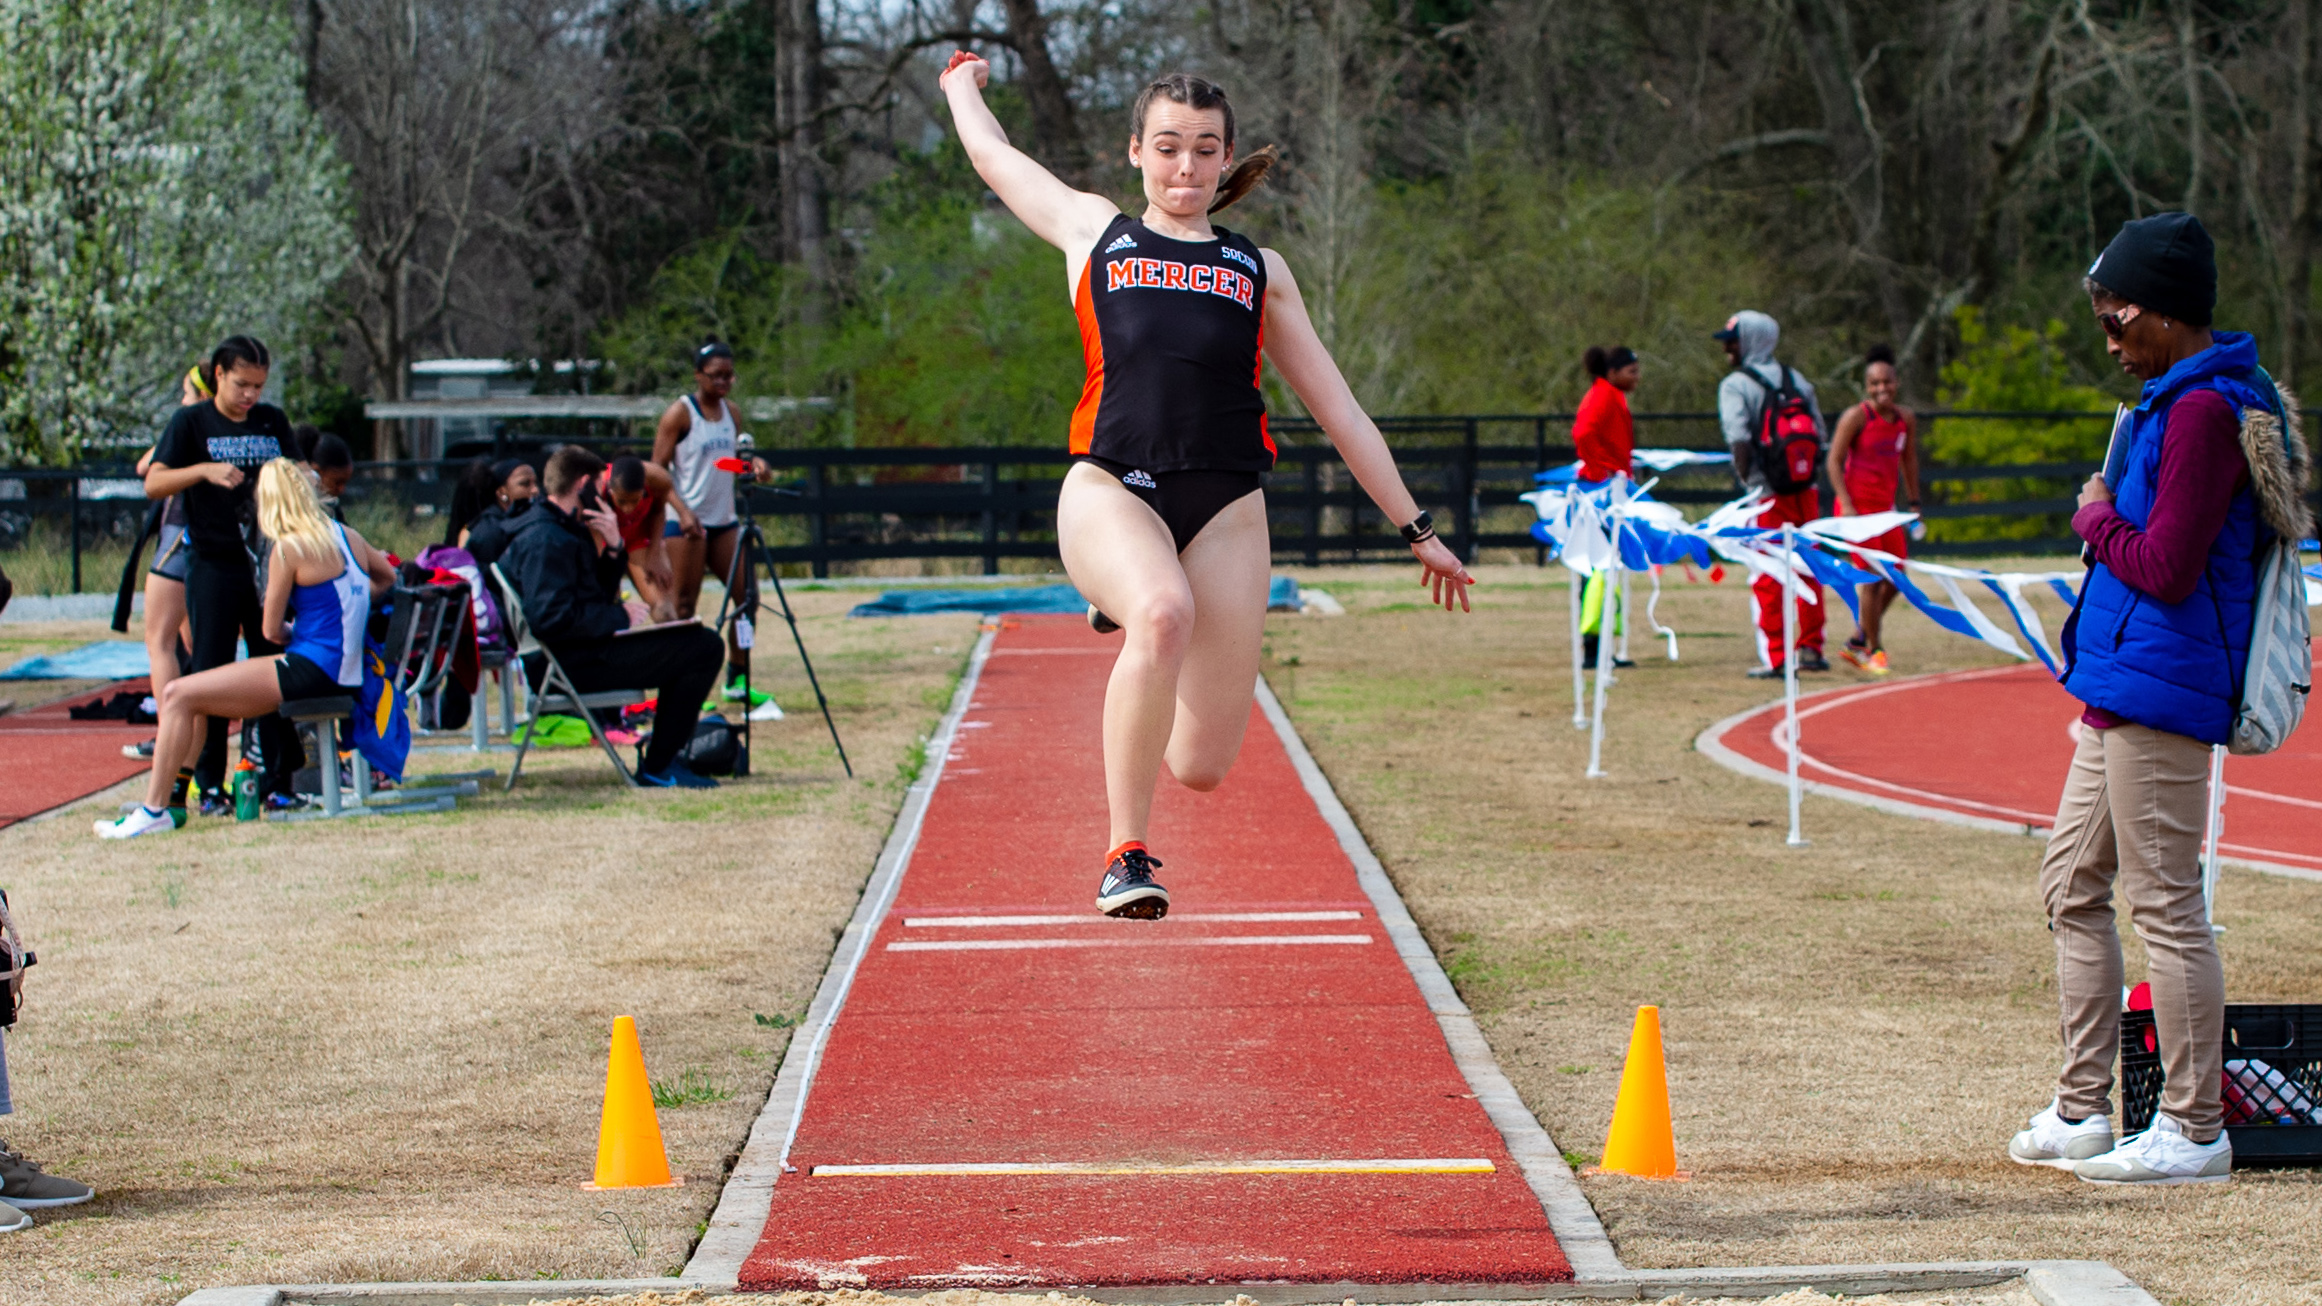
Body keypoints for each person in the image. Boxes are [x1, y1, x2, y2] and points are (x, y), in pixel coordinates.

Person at [940, 54, 1475, 920]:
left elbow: (1342, 413)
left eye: (1202, 150)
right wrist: (962, 84)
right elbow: (997, 158)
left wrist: (1419, 529)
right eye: (1166, 148)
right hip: (1112, 484)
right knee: (1162, 613)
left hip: (1225, 506)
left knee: (1201, 765)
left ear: (1226, 160)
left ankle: (1136, 594)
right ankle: (1125, 853)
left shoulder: (1260, 269)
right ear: (1135, 153)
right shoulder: (1096, 234)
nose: (1184, 168)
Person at [2007, 211, 2310, 1187]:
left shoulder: (2204, 411)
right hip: (2120, 682)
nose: (2109, 339)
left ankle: (2191, 1126)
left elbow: (2170, 565)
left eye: (2118, 315)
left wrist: (2096, 518)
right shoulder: (2174, 398)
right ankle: (2084, 1107)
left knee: (2168, 906)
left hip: (2165, 688)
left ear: (2168, 313)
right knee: (2069, 887)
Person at [97, 458, 392, 838]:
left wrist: (302, 633)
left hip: (311, 668)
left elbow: (270, 629)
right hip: (341, 669)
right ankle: (165, 803)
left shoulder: (289, 548)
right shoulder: (346, 535)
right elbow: (387, 576)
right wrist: (347, 617)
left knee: (177, 694)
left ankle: (157, 808)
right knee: (187, 696)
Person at [501, 446, 726, 789]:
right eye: (598, 484)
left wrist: (615, 547)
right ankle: (660, 765)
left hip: (577, 653)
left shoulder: (561, 528)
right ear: (581, 485)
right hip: (565, 665)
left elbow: (588, 595)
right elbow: (550, 618)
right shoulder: (546, 538)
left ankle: (662, 760)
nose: (602, 492)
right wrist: (617, 617)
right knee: (703, 648)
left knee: (695, 643)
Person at [141, 336, 302, 813]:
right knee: (208, 672)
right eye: (241, 384)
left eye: (258, 385)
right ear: (218, 375)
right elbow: (153, 481)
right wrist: (203, 471)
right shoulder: (191, 422)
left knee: (272, 662)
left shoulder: (272, 421)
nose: (250, 395)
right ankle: (206, 782)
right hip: (213, 562)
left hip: (269, 563)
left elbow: (300, 470)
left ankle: (279, 778)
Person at [652, 342, 777, 719]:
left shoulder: (732, 414)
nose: (725, 382)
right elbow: (656, 472)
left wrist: (754, 465)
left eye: (729, 375)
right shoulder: (680, 413)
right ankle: (682, 685)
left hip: (723, 521)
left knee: (746, 598)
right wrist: (681, 510)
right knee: (685, 606)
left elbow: (724, 462)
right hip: (686, 525)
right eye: (716, 375)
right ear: (698, 375)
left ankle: (737, 677)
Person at [1716, 310, 1828, 678]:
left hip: (1766, 494)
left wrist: (1749, 481)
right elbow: (1821, 438)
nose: (1727, 349)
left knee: (1767, 573)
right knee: (1809, 567)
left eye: (1732, 341)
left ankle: (1777, 658)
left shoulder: (1736, 384)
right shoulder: (1796, 380)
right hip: (1804, 490)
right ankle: (1811, 647)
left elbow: (1739, 440)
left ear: (1748, 340)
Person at [120, 364, 216, 767]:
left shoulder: (192, 425)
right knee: (193, 650)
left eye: (187, 394)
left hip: (181, 535)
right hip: (202, 539)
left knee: (160, 642)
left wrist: (181, 422)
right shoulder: (223, 429)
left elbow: (147, 469)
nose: (181, 402)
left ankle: (170, 734)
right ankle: (190, 751)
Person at [1825, 344, 1922, 674]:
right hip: (1856, 511)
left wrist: (1914, 504)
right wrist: (1848, 504)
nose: (1882, 389)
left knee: (1897, 577)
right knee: (1871, 578)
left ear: (1896, 383)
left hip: (1886, 511)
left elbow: (1908, 461)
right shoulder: (1856, 417)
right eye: (1875, 383)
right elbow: (1833, 462)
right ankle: (1873, 649)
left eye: (1888, 382)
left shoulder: (1905, 418)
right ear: (1867, 386)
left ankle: (1857, 639)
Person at [1574, 345, 1639, 670]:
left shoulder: (1612, 395)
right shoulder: (1603, 396)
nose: (1636, 378)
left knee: (1607, 568)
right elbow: (1583, 434)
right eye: (1631, 371)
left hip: (1611, 491)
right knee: (1598, 570)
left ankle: (1601, 648)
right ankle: (1592, 648)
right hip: (1600, 494)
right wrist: (1604, 473)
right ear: (1612, 372)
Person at [598, 455, 697, 624]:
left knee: (665, 610)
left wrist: (655, 554)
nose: (628, 509)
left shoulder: (659, 480)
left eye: (635, 500)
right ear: (610, 490)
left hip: (637, 538)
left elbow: (659, 511)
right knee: (606, 607)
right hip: (605, 542)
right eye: (621, 501)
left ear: (644, 489)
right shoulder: (596, 486)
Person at [449, 458, 540, 568]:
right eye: (525, 484)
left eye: (535, 482)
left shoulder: (535, 521)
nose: (535, 490)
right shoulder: (489, 533)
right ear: (501, 492)